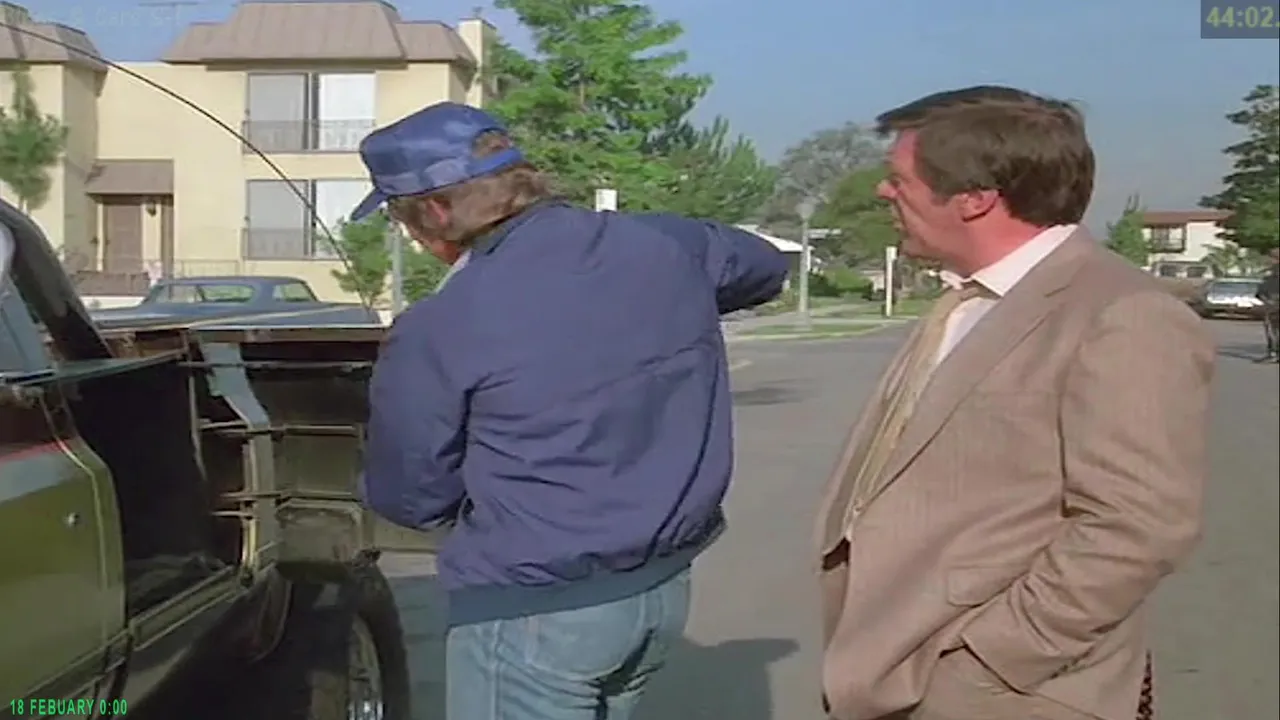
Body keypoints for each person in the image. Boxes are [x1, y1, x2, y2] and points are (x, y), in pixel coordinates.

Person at [354, 102, 788, 719]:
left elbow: (409, 497)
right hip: (660, 591)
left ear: (437, 212)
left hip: (533, 612)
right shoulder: (666, 245)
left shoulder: (442, 322)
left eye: (402, 218)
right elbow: (766, 266)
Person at [813, 86, 1215, 720]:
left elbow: (1137, 528)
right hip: (900, 670)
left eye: (901, 179)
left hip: (1002, 693)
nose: (883, 192)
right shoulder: (969, 299)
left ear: (975, 198)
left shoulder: (1124, 314)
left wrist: (989, 661)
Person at [1256, 250, 1279, 362]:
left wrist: (1265, 298)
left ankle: (1273, 354)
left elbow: (1265, 288)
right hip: (1272, 302)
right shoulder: (1271, 272)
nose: (1268, 260)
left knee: (1272, 330)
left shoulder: (1272, 272)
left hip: (1273, 303)